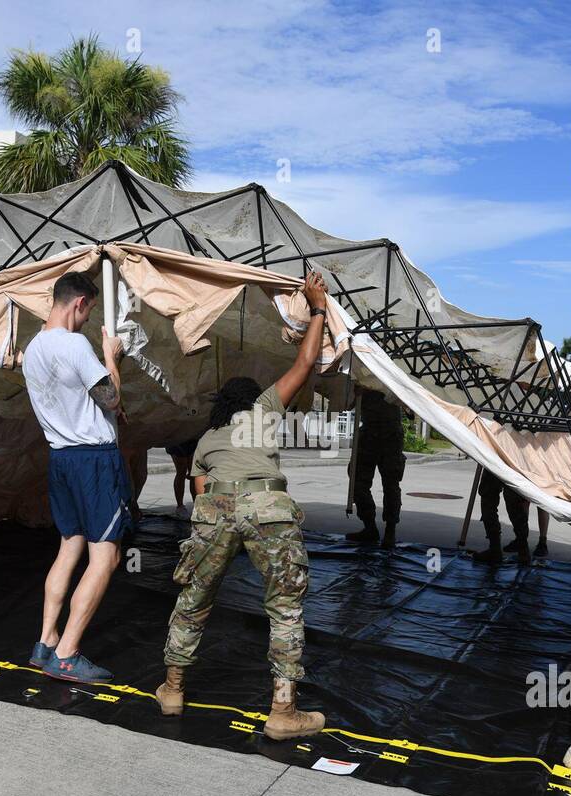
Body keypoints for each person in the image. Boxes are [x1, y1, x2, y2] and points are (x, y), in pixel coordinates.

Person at [156, 271, 331, 740]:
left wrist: (219, 532)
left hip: (216, 506)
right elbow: (308, 359)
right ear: (250, 401)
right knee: (284, 606)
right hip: (267, 505)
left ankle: (172, 690)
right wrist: (316, 307)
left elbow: (198, 496)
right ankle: (283, 711)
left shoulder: (207, 438)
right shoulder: (264, 411)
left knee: (193, 600)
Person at [23, 271, 130, 683]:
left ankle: (45, 641)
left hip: (60, 458)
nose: (88, 319)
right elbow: (111, 397)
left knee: (70, 546)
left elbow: (74, 397)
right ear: (80, 303)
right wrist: (111, 357)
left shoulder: (33, 349)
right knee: (107, 556)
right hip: (94, 461)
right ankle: (67, 653)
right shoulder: (74, 344)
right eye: (89, 311)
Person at [345, 386, 404, 549]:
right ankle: (370, 527)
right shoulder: (359, 371)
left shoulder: (391, 370)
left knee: (391, 484)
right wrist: (356, 393)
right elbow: (347, 403)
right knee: (357, 481)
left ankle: (390, 531)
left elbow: (406, 401)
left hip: (390, 433)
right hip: (369, 433)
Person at [469, 472, 548, 564]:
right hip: (502, 464)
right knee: (494, 501)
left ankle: (520, 549)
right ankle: (502, 549)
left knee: (512, 504)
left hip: (509, 465)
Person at [164, 435, 200, 516]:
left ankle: (196, 504)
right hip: (176, 438)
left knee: (193, 472)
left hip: (191, 437)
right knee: (181, 471)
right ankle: (180, 505)